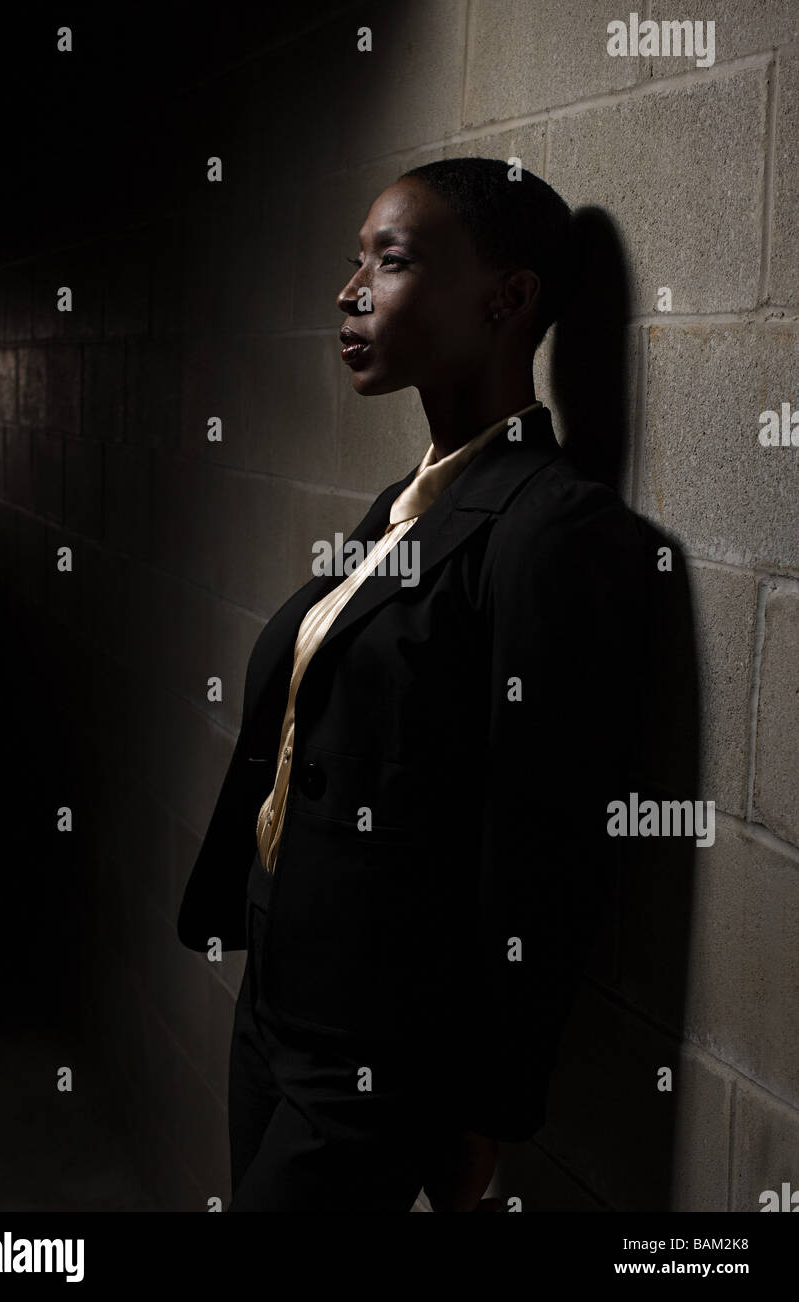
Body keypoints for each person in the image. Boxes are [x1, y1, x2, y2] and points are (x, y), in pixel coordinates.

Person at [177, 157, 649, 1211]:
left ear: (507, 297)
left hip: (377, 1054)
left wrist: (486, 1106)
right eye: (355, 264)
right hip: (279, 1004)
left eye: (387, 264)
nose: (349, 295)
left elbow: (542, 848)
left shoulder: (552, 530)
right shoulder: (410, 502)